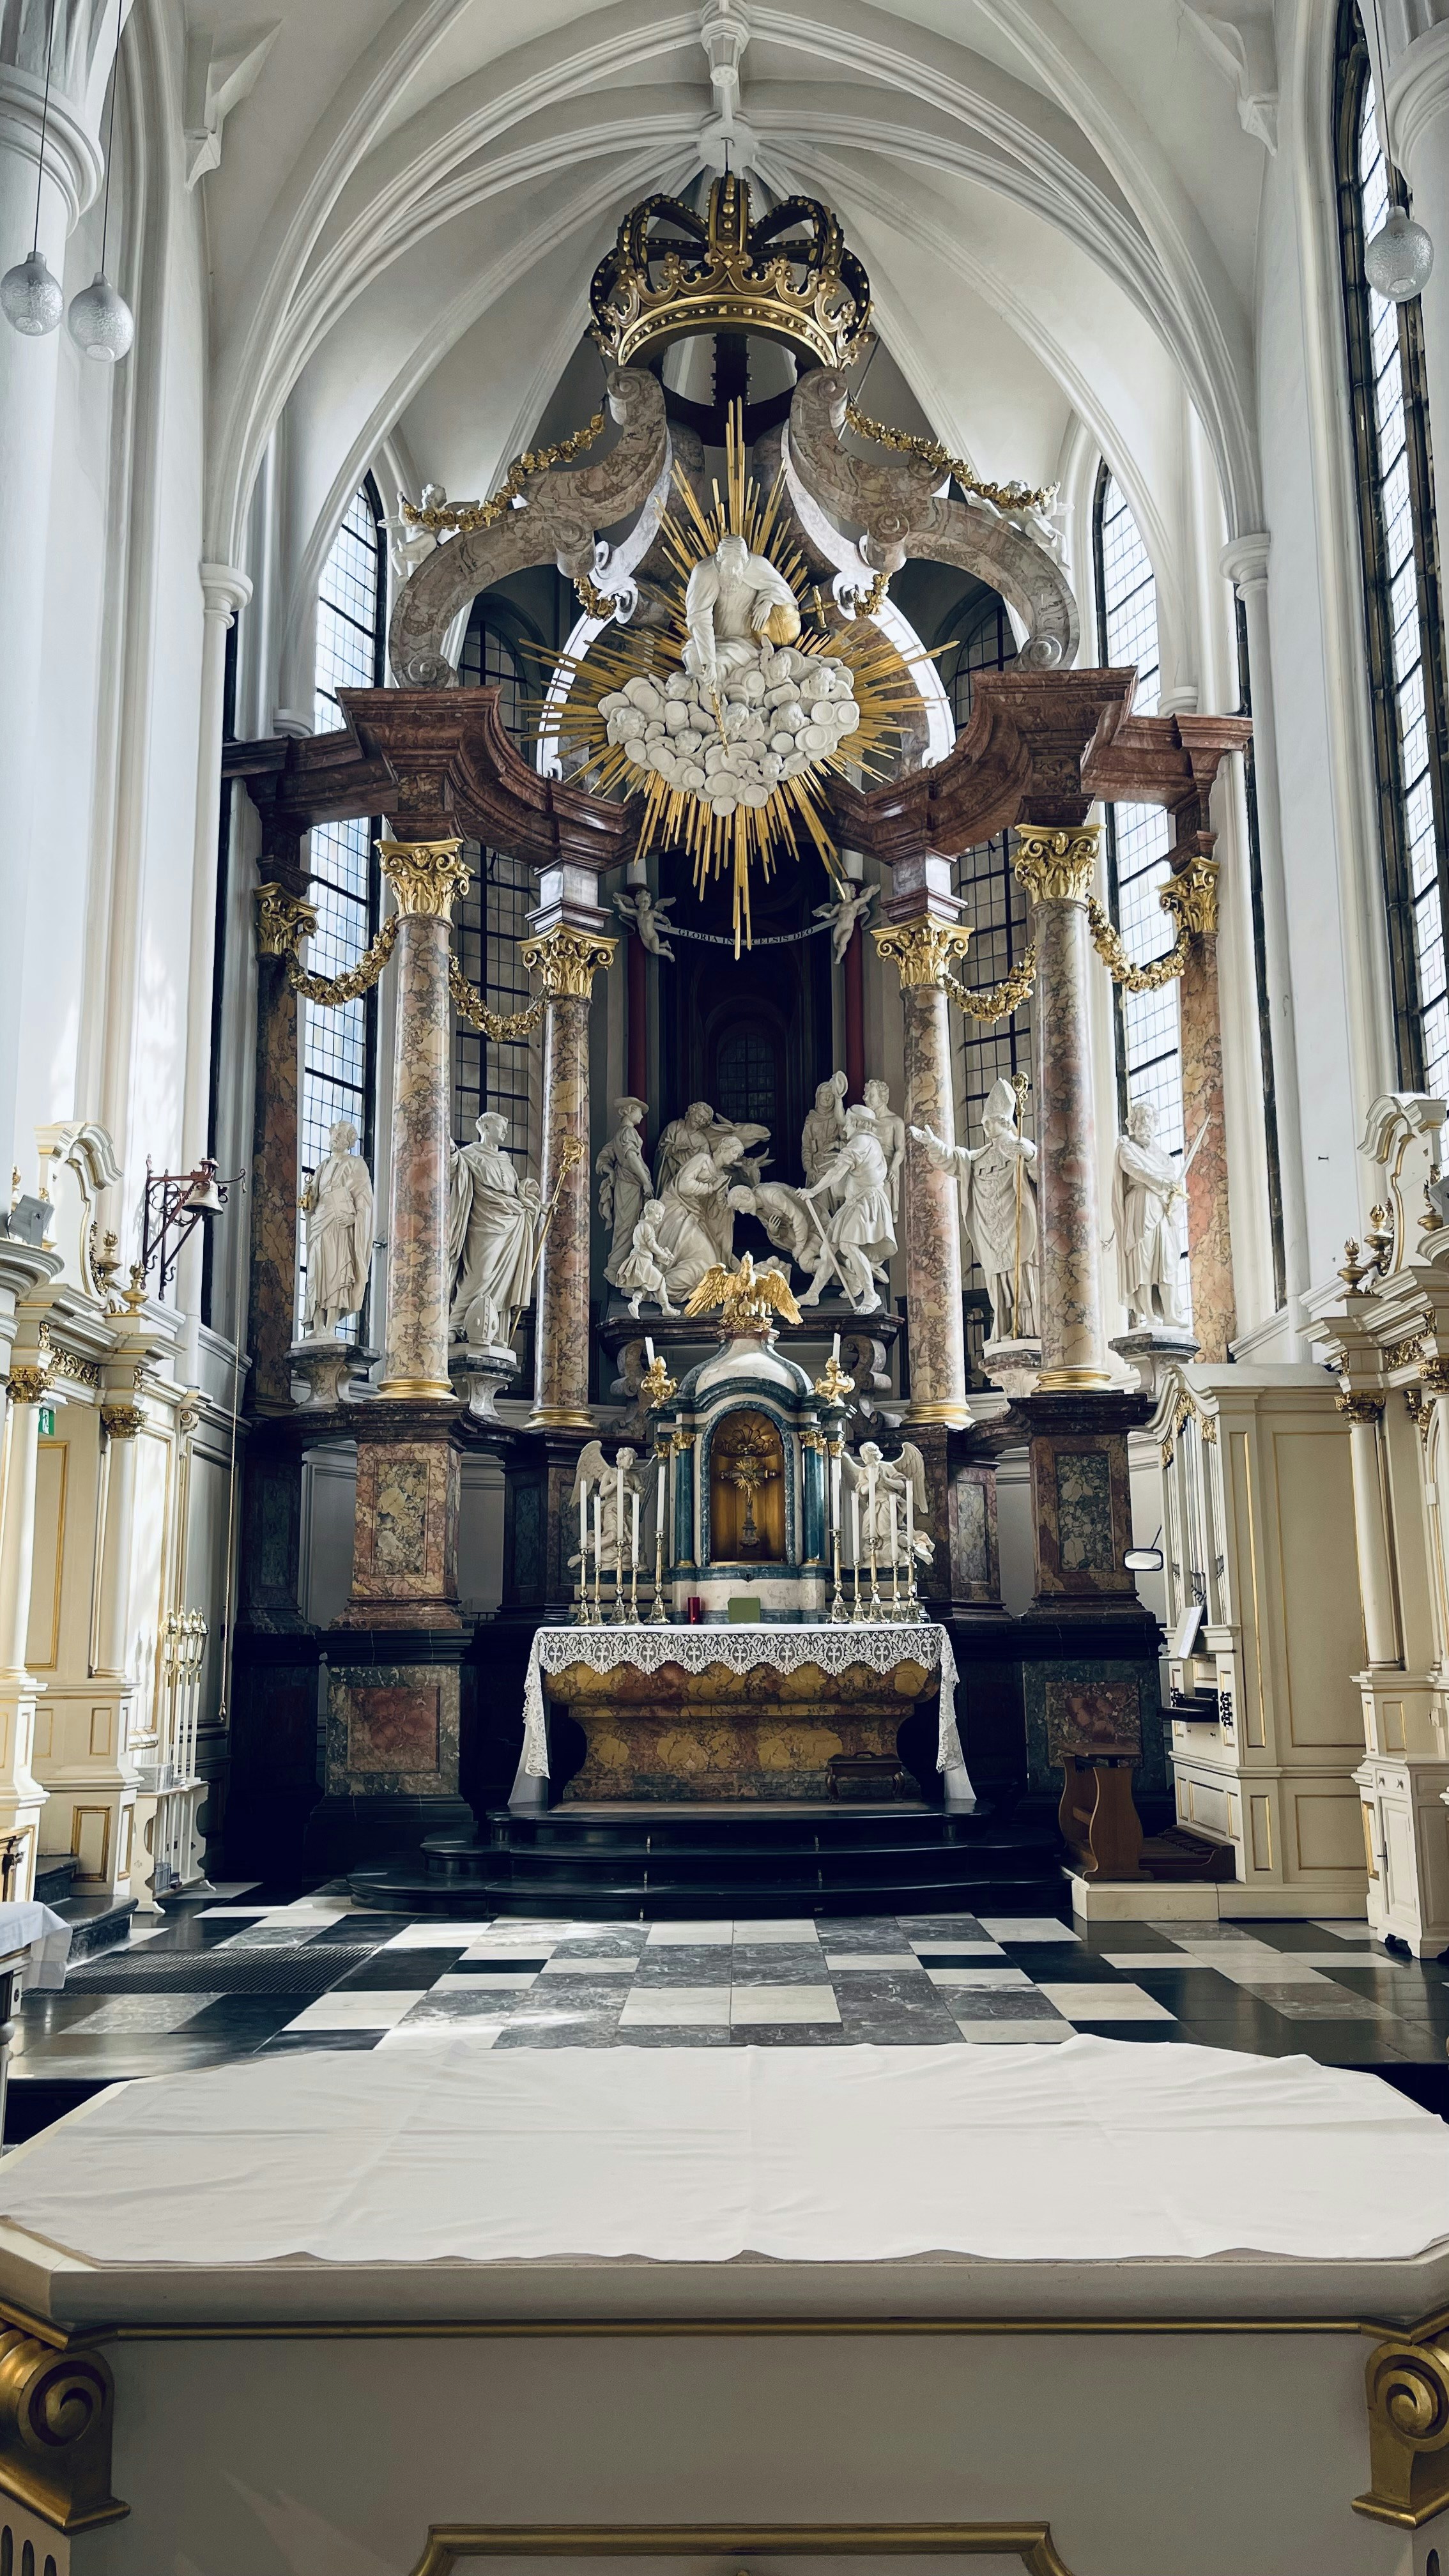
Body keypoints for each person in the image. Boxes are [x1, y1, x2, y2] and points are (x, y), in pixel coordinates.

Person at [912, 1077, 1038, 1341]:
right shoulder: (978, 1157)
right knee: (996, 1278)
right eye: (984, 1122)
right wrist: (932, 1143)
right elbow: (952, 1159)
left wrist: (1031, 1156)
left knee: (1021, 1274)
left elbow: (1045, 1178)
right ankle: (1004, 1328)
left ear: (1005, 1121)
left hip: (1017, 1226)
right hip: (990, 1231)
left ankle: (1027, 1329)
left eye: (990, 1122)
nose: (985, 1126)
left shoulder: (1020, 1147)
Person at [447, 1111, 541, 1346]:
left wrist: (539, 1206)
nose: (506, 1131)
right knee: (480, 1274)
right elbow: (453, 1169)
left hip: (512, 1225)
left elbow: (516, 1194)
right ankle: (454, 1325)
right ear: (486, 1128)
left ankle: (493, 1331)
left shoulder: (506, 1161)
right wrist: (450, 1150)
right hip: (483, 1224)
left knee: (503, 1282)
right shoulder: (470, 1155)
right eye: (501, 1127)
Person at [797, 1104, 896, 1314]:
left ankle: (871, 1295)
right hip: (856, 1203)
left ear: (858, 1123)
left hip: (865, 1203)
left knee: (848, 1246)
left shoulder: (860, 1143)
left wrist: (813, 1191)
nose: (844, 1128)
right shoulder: (871, 1142)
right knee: (828, 1248)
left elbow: (837, 1172)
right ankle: (813, 1294)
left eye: (848, 1122)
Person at [682, 531, 801, 685]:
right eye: (727, 567)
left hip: (747, 645)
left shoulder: (758, 566)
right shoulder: (704, 572)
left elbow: (784, 592)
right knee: (693, 657)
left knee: (721, 665)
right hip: (713, 642)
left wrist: (768, 602)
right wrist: (709, 661)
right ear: (720, 561)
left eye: (737, 567)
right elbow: (699, 618)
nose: (732, 572)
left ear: (744, 562)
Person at [1113, 1098, 1187, 1326]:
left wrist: (1174, 1196)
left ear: (1155, 1124)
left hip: (1162, 1210)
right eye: (1141, 1118)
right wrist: (1161, 1183)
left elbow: (1173, 1182)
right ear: (1133, 1123)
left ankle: (1170, 1314)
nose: (1145, 1123)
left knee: (1167, 1262)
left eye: (1149, 1118)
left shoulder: (1163, 1157)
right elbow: (1136, 1171)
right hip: (1141, 1207)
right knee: (1142, 1263)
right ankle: (1149, 1316)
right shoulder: (1126, 1149)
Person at [299, 1121, 374, 1335]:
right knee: (315, 1275)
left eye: (341, 1134)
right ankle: (317, 1326)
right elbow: (312, 1201)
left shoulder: (356, 1164)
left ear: (350, 1140)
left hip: (340, 1225)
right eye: (334, 1133)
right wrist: (308, 1195)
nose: (336, 1137)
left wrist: (355, 1218)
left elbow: (364, 1199)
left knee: (337, 1273)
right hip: (320, 1223)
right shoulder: (322, 1167)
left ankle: (330, 1327)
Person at [597, 1097, 654, 1287]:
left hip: (627, 1185)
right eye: (639, 1112)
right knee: (627, 1228)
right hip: (630, 1185)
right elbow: (631, 1158)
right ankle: (614, 1269)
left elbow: (603, 1158)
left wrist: (611, 1171)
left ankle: (621, 1270)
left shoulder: (619, 1134)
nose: (642, 1117)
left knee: (626, 1226)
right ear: (629, 1111)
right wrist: (646, 1182)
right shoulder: (628, 1132)